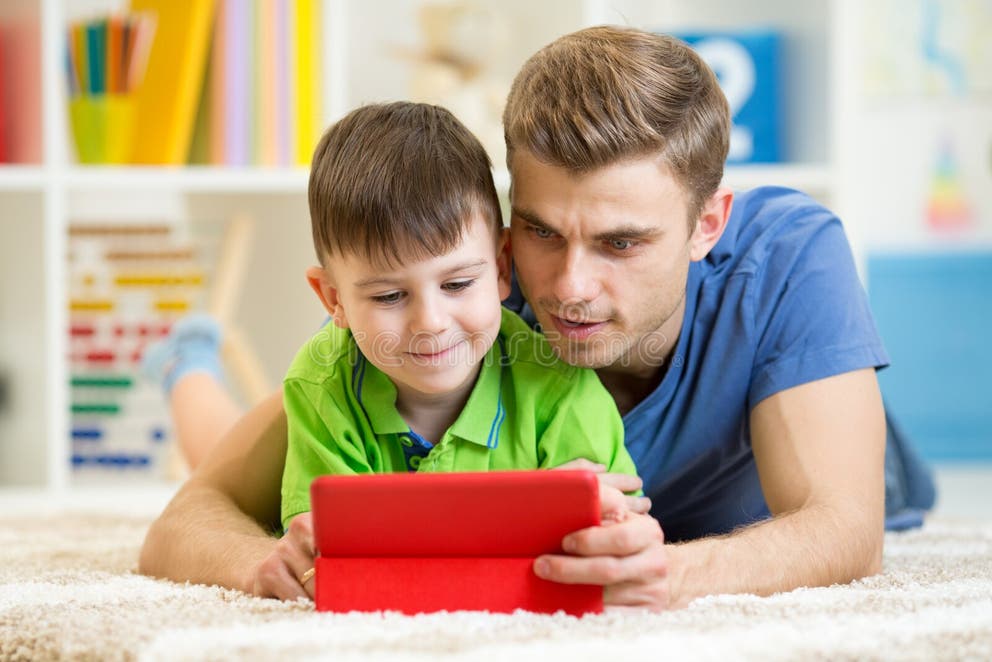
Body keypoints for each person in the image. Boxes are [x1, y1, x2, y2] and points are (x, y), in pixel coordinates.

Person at [140, 26, 935, 608]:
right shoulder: (469, 289)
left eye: (622, 241)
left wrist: (673, 573)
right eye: (544, 233)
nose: (568, 287)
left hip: (836, 454)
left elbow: (846, 529)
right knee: (243, 449)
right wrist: (259, 564)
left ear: (707, 225)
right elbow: (194, 516)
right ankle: (191, 360)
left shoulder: (788, 256)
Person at [278, 101, 639, 533]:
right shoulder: (323, 384)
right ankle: (190, 365)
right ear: (333, 298)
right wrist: (527, 509)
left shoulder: (559, 386)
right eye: (390, 295)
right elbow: (335, 552)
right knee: (212, 452)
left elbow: (614, 539)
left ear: (503, 268)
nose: (430, 322)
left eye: (457, 285)